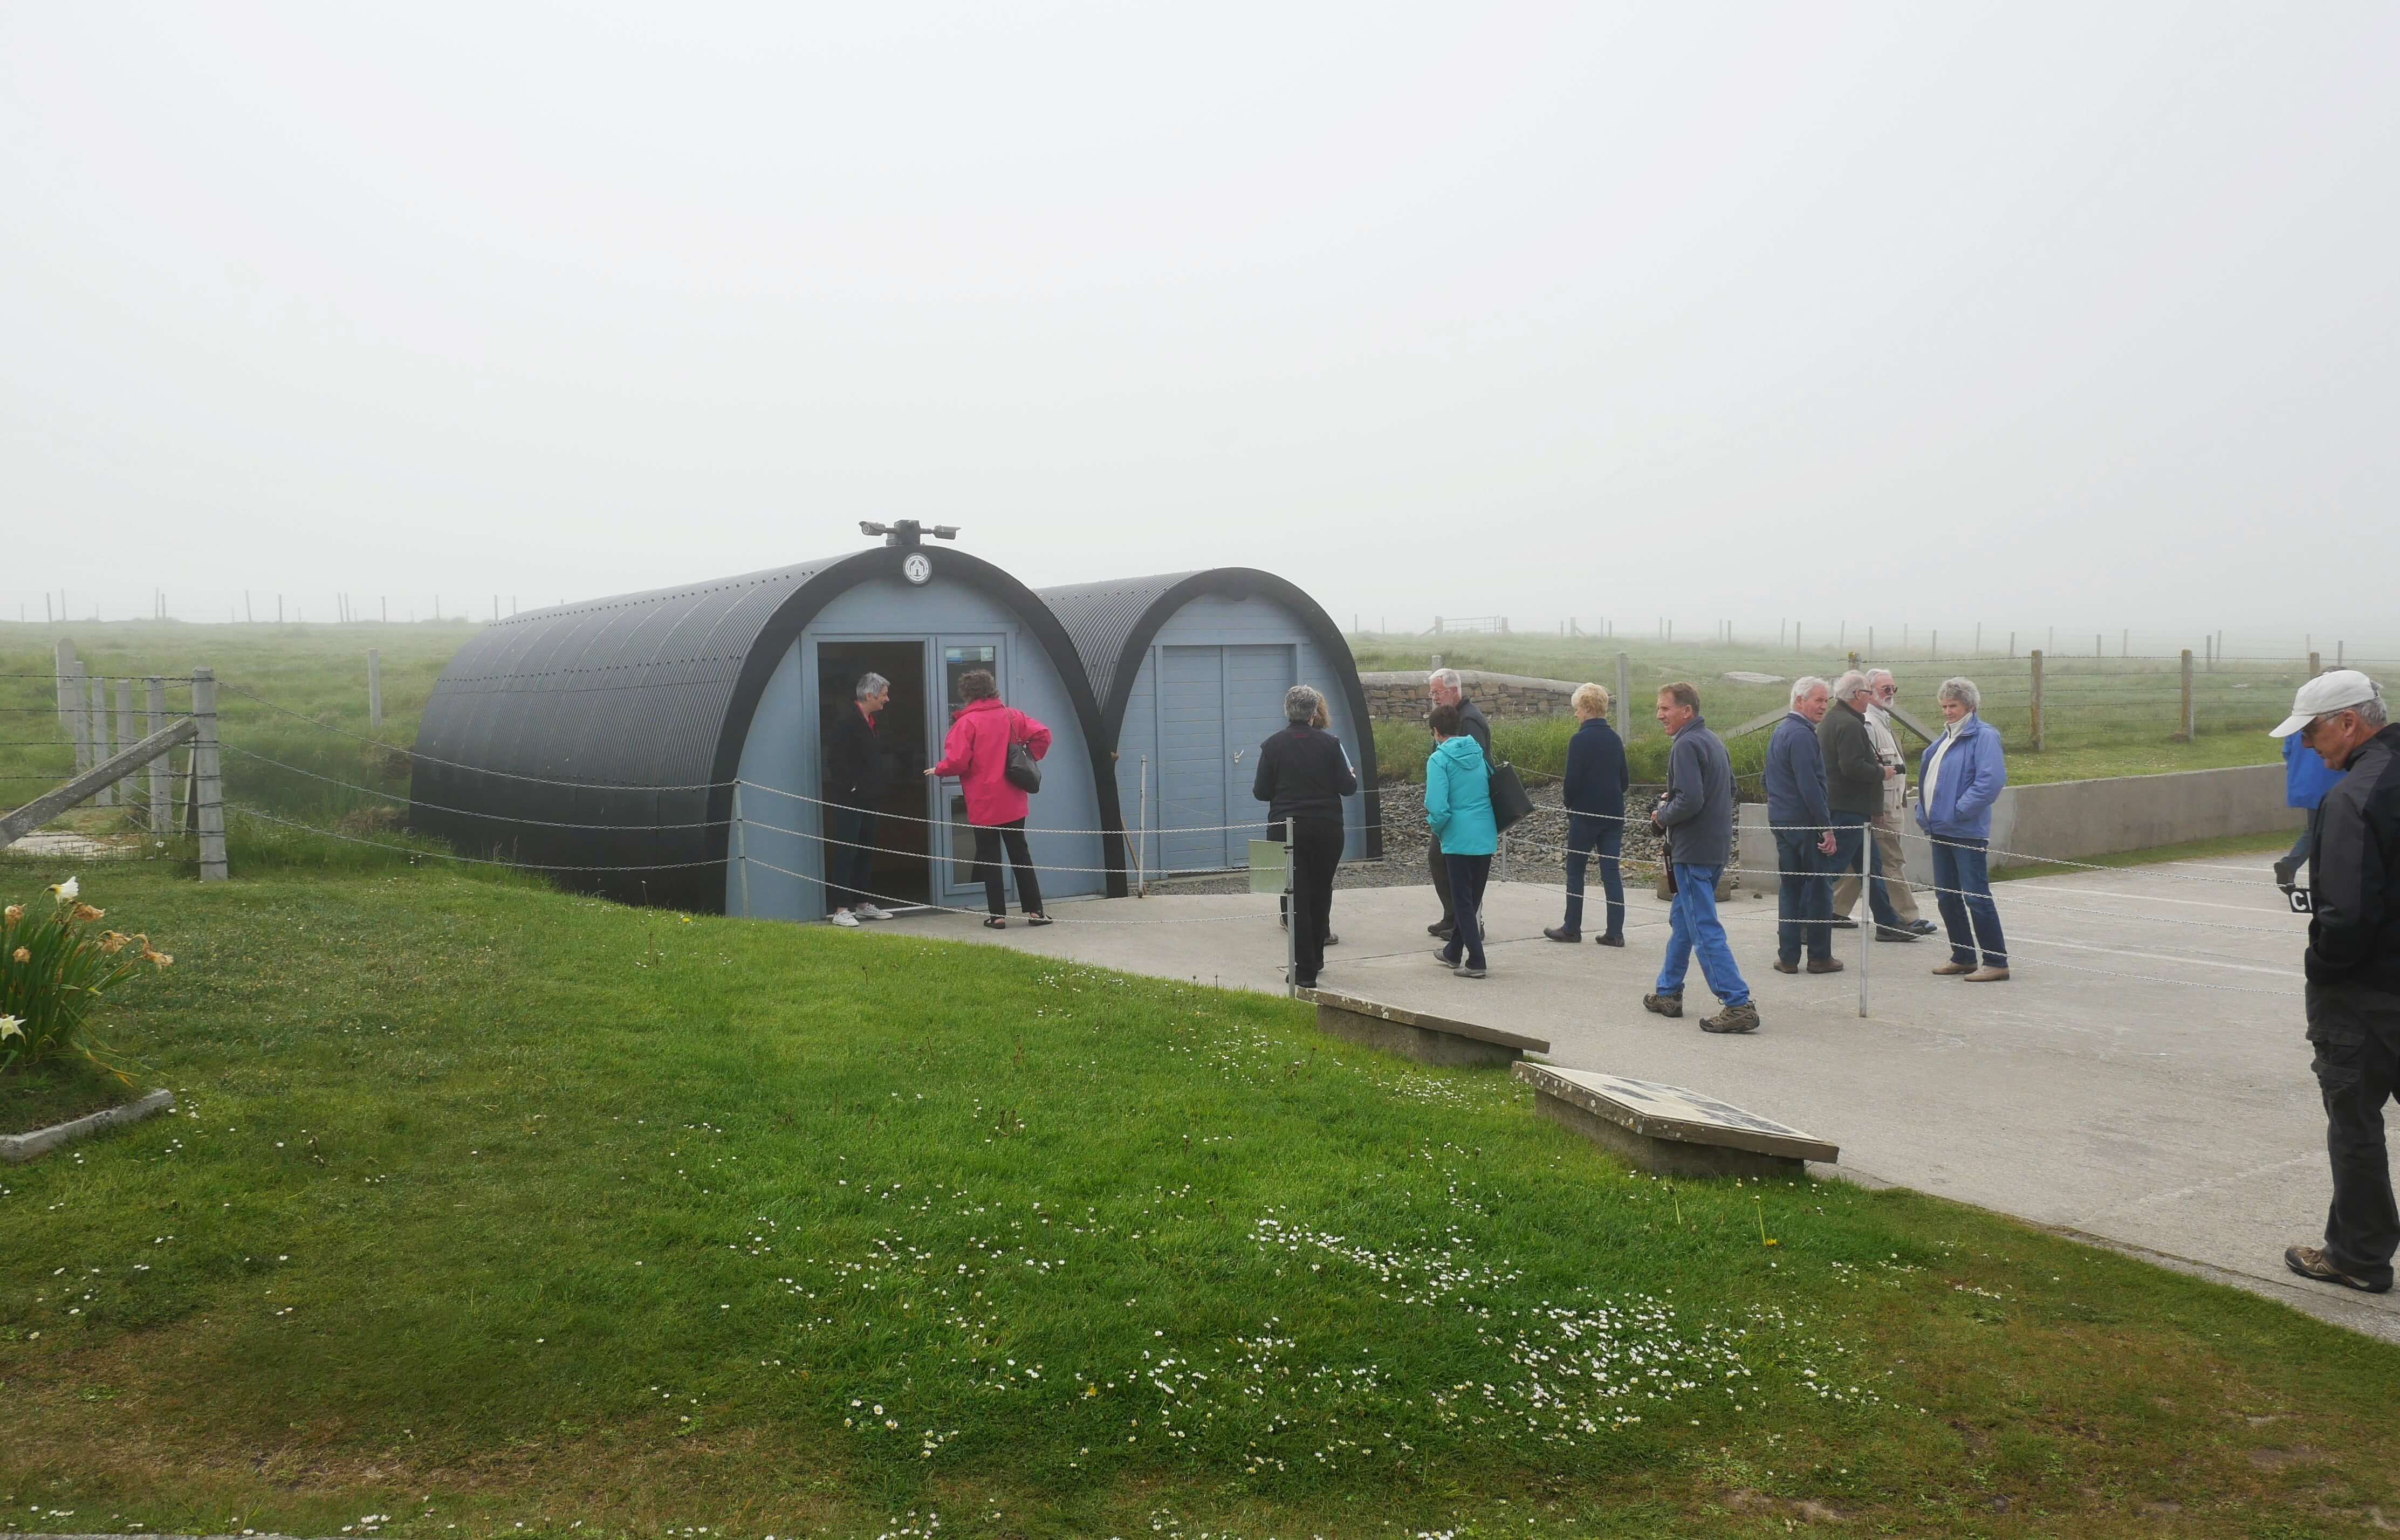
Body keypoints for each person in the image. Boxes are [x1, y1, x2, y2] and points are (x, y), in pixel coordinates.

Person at [2268, 671, 2400, 1294]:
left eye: (2313, 732)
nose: (2310, 747)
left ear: (2348, 722)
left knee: (2353, 1125)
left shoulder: (2352, 797)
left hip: (2364, 995)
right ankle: (2352, 1245)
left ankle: (2357, 1255)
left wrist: (2319, 966)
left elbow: (2344, 917)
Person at [1643, 683, 1758, 1034]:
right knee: (1685, 922)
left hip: (1692, 853)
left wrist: (1662, 815)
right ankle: (1668, 992)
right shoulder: (1712, 741)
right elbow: (1728, 790)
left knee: (1704, 927)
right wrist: (1675, 797)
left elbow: (1691, 801)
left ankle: (1737, 1003)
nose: (1659, 715)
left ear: (1686, 711)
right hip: (1715, 848)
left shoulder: (1686, 744)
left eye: (1665, 708)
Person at [926, 669, 1052, 928]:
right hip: (1013, 800)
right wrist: (1029, 759)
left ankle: (997, 916)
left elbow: (958, 761)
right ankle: (1035, 912)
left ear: (967, 695)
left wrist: (939, 769)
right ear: (993, 689)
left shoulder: (966, 723)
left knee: (989, 857)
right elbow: (1043, 735)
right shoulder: (1012, 715)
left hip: (983, 801)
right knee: (1020, 853)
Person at [1253, 684, 1357, 989]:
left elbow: (1261, 792)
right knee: (1321, 891)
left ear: (1288, 711)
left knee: (1295, 895)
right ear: (1314, 713)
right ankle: (1317, 956)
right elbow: (1348, 788)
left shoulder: (1272, 746)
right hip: (1326, 826)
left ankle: (1305, 969)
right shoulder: (1331, 744)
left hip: (1287, 827)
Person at [1833, 670, 1940, 936]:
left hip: (1887, 804)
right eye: (1883, 688)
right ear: (1865, 692)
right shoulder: (1867, 723)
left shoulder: (1881, 719)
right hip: (1880, 808)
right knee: (1889, 862)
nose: (1889, 692)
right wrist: (1877, 808)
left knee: (1861, 864)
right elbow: (1864, 768)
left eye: (1894, 687)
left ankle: (1832, 910)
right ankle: (1905, 917)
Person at [1915, 677, 2008, 981]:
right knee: (1946, 896)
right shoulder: (1944, 739)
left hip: (1965, 832)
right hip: (1939, 831)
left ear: (1969, 705)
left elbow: (1989, 782)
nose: (1947, 712)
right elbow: (1928, 778)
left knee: (1976, 897)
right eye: (1944, 706)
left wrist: (1959, 812)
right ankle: (1963, 956)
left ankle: (1996, 961)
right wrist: (1923, 811)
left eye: (1953, 706)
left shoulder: (1983, 737)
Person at [1818, 671, 1916, 944]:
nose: (1870, 698)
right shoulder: (1849, 725)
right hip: (1848, 808)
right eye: (1867, 693)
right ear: (1856, 695)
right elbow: (1851, 767)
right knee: (1833, 868)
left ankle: (1887, 923)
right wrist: (1881, 772)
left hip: (1853, 808)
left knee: (1871, 868)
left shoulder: (1836, 720)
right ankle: (1808, 920)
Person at [1764, 677, 1841, 975]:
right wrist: (1826, 827)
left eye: (1826, 701)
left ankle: (1788, 957)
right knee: (1820, 887)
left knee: (1791, 889)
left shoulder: (1781, 731)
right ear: (1799, 701)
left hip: (1782, 821)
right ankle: (1820, 956)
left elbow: (1767, 778)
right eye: (1818, 701)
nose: (1824, 706)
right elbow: (1811, 786)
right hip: (1806, 825)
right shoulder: (1802, 735)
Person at [1545, 683, 1629, 946]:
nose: (1576, 714)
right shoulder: (1615, 739)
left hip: (1584, 814)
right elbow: (1624, 780)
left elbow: (1572, 782)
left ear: (1588, 708)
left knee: (1576, 871)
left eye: (1578, 709)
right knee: (1611, 873)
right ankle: (1615, 932)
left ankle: (1572, 928)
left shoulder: (1579, 740)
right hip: (1613, 814)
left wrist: (1571, 807)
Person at [1424, 702, 1497, 979]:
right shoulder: (1478, 753)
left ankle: (1477, 961)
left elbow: (1438, 807)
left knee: (1462, 902)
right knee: (1473, 898)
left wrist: (1437, 827)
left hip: (1458, 838)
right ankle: (1454, 952)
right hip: (1485, 834)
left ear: (1436, 731)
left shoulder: (1439, 760)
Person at [821, 672, 900, 927]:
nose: (887, 700)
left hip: (870, 796)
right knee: (847, 851)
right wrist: (853, 787)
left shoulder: (872, 720)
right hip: (851, 798)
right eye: (884, 695)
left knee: (866, 850)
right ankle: (841, 908)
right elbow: (836, 760)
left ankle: (864, 904)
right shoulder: (846, 720)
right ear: (869, 695)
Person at [2278, 724, 2348, 891]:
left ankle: (2291, 865)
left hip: (2309, 784)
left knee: (2316, 830)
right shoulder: (2337, 721)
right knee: (2337, 831)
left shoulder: (2298, 723)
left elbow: (2287, 752)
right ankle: (2294, 865)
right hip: (2335, 781)